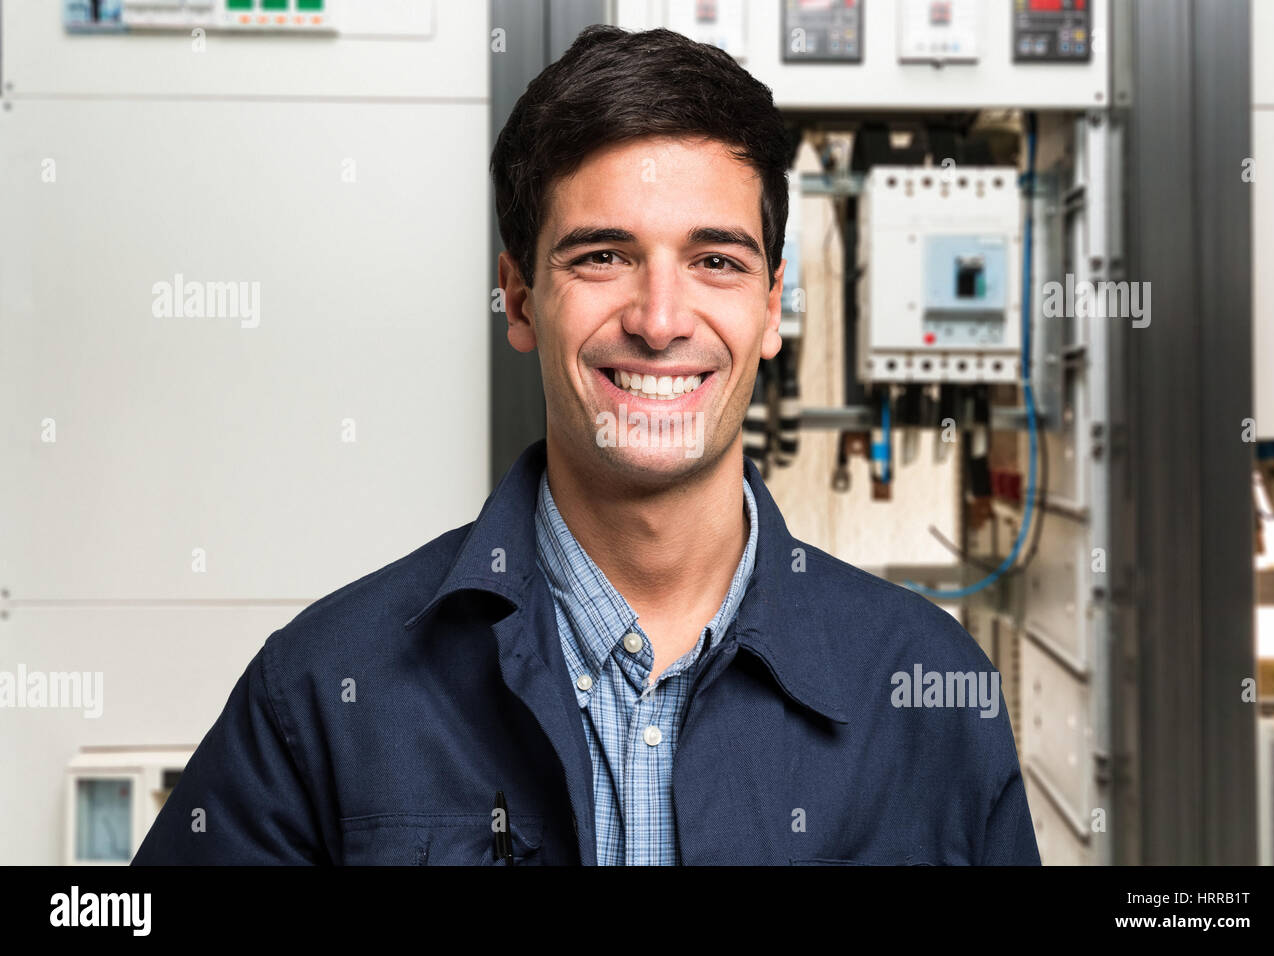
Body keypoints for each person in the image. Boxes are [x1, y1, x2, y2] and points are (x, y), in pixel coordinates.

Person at [133, 24, 1040, 866]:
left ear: (771, 309)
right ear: (521, 298)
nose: (659, 319)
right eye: (602, 256)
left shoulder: (928, 693)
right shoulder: (326, 693)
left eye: (716, 259)